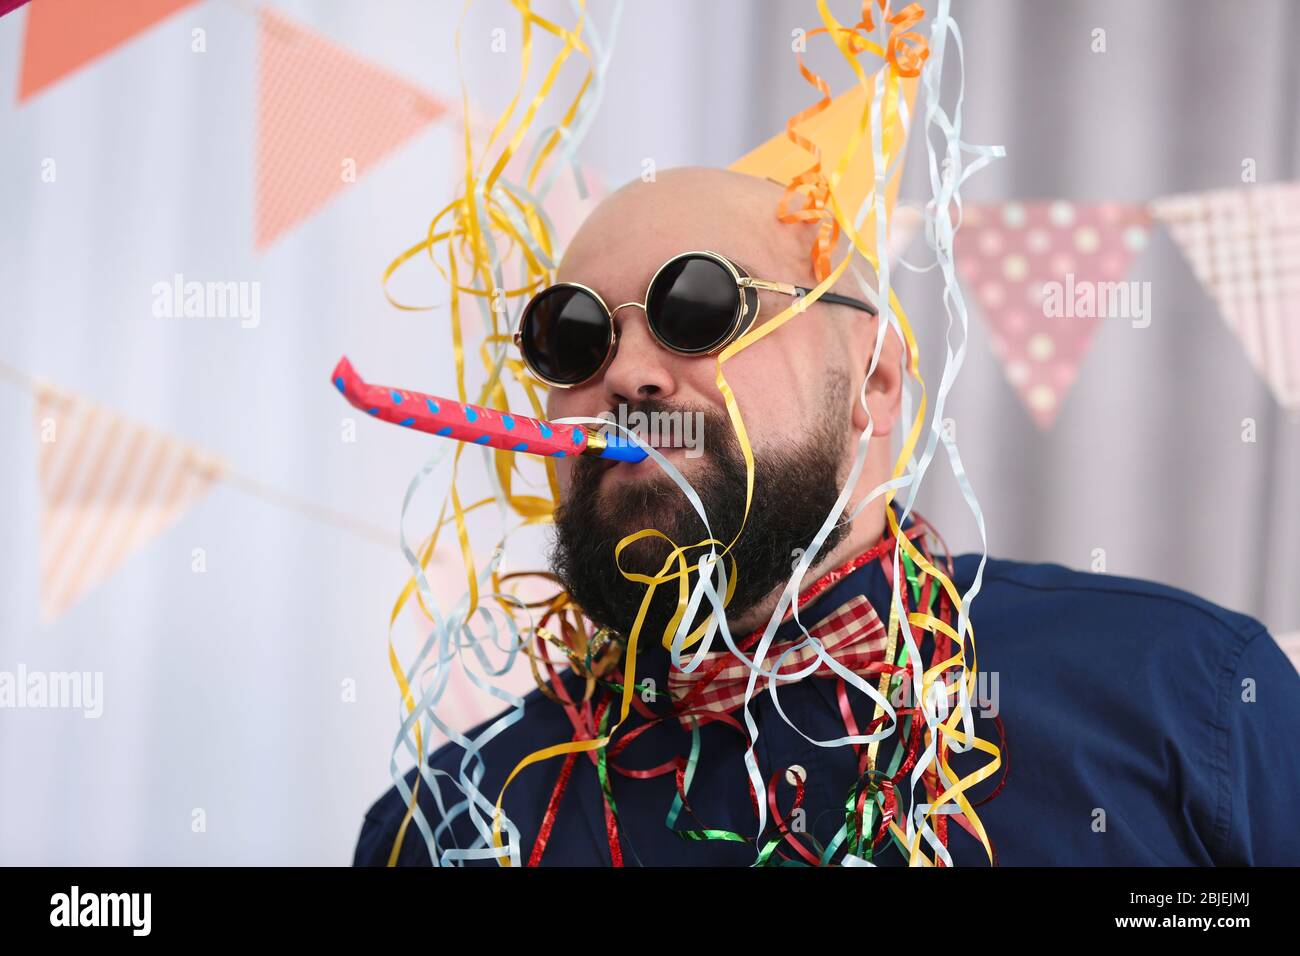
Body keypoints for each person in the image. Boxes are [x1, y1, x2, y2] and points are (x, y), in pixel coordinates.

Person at [354, 167, 1300, 866]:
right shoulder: (446, 824)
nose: (628, 376)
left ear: (875, 381)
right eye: (574, 334)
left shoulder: (1186, 699)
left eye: (699, 307)